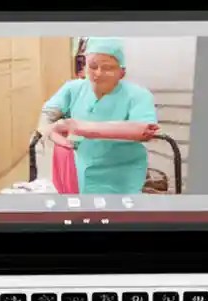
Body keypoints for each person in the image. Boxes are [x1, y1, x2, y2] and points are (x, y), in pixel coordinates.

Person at [38, 38, 160, 194]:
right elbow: (47, 116)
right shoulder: (72, 89)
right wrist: (51, 132)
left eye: (108, 68)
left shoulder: (138, 95)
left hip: (122, 174)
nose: (98, 73)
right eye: (93, 66)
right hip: (79, 169)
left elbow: (144, 131)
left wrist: (80, 128)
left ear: (122, 72)